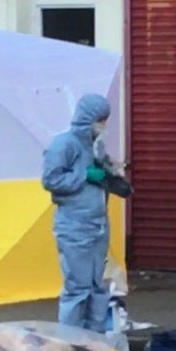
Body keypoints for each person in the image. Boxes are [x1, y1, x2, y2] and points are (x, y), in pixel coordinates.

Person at [41, 94, 112, 332]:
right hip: (75, 225)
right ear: (88, 118)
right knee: (77, 286)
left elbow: (101, 174)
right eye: (100, 119)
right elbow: (51, 180)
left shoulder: (95, 146)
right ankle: (70, 339)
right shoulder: (64, 145)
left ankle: (95, 338)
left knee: (97, 285)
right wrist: (85, 176)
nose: (103, 124)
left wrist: (112, 176)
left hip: (97, 223)